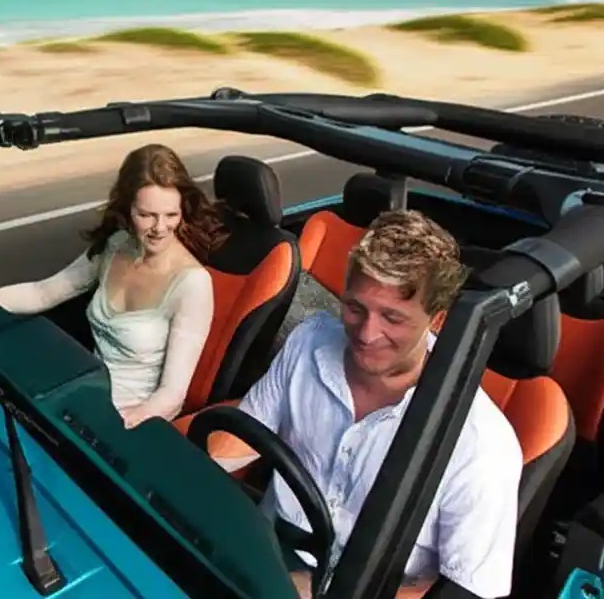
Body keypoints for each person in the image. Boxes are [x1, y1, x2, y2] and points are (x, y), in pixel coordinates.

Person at [213, 209, 522, 599]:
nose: (366, 332)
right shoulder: (309, 342)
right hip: (261, 552)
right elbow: (240, 437)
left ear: (438, 321)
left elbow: (465, 590)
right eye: (355, 308)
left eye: (392, 318)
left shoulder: (481, 443)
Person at [0, 143, 225, 429]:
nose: (160, 228)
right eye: (146, 215)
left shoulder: (192, 284)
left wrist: (108, 428)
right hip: (79, 399)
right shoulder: (115, 246)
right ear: (127, 208)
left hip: (123, 423)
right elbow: (41, 293)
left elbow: (171, 397)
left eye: (171, 215)